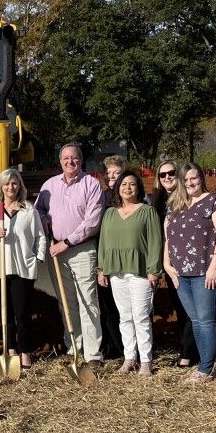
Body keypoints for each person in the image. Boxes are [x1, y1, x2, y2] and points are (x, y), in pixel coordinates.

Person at [163, 162, 216, 384]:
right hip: (180, 273)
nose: (190, 183)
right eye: (186, 180)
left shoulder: (214, 201)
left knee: (205, 320)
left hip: (204, 271)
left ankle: (205, 369)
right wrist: (167, 265)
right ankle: (204, 363)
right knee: (195, 319)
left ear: (201, 178)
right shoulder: (175, 204)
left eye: (194, 178)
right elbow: (167, 238)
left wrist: (214, 267)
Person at [37, 143, 103, 364]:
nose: (70, 162)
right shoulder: (49, 185)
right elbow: (38, 210)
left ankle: (93, 354)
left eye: (74, 158)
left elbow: (92, 221)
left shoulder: (91, 184)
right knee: (66, 301)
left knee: (88, 301)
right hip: (56, 252)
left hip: (82, 250)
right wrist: (43, 218)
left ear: (81, 159)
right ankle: (74, 347)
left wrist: (67, 242)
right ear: (60, 161)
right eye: (65, 158)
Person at [96, 170, 163, 375]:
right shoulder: (109, 213)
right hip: (116, 272)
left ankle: (145, 361)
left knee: (141, 317)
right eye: (124, 184)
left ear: (139, 188)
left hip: (141, 272)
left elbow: (155, 242)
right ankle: (129, 358)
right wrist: (102, 269)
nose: (127, 188)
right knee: (124, 317)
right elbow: (104, 243)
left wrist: (154, 270)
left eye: (132, 184)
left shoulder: (147, 211)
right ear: (118, 188)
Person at [0, 168, 47, 369]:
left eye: (15, 183)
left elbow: (40, 237)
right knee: (5, 314)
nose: (11, 187)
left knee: (22, 313)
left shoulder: (29, 210)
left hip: (22, 268)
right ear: (1, 186)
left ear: (20, 187)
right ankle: (10, 351)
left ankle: (25, 351)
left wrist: (39, 258)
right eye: (7, 183)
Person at [151, 158, 199, 368]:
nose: (167, 177)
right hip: (168, 262)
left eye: (171, 173)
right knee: (180, 306)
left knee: (190, 308)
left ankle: (188, 354)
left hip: (187, 260)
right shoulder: (158, 201)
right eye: (163, 175)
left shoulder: (186, 198)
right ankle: (187, 349)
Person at [97, 154, 128, 362]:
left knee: (127, 307)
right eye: (109, 173)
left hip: (128, 259)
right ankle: (113, 347)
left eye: (117, 173)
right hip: (107, 258)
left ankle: (131, 348)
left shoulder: (136, 198)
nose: (112, 176)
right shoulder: (103, 198)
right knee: (107, 307)